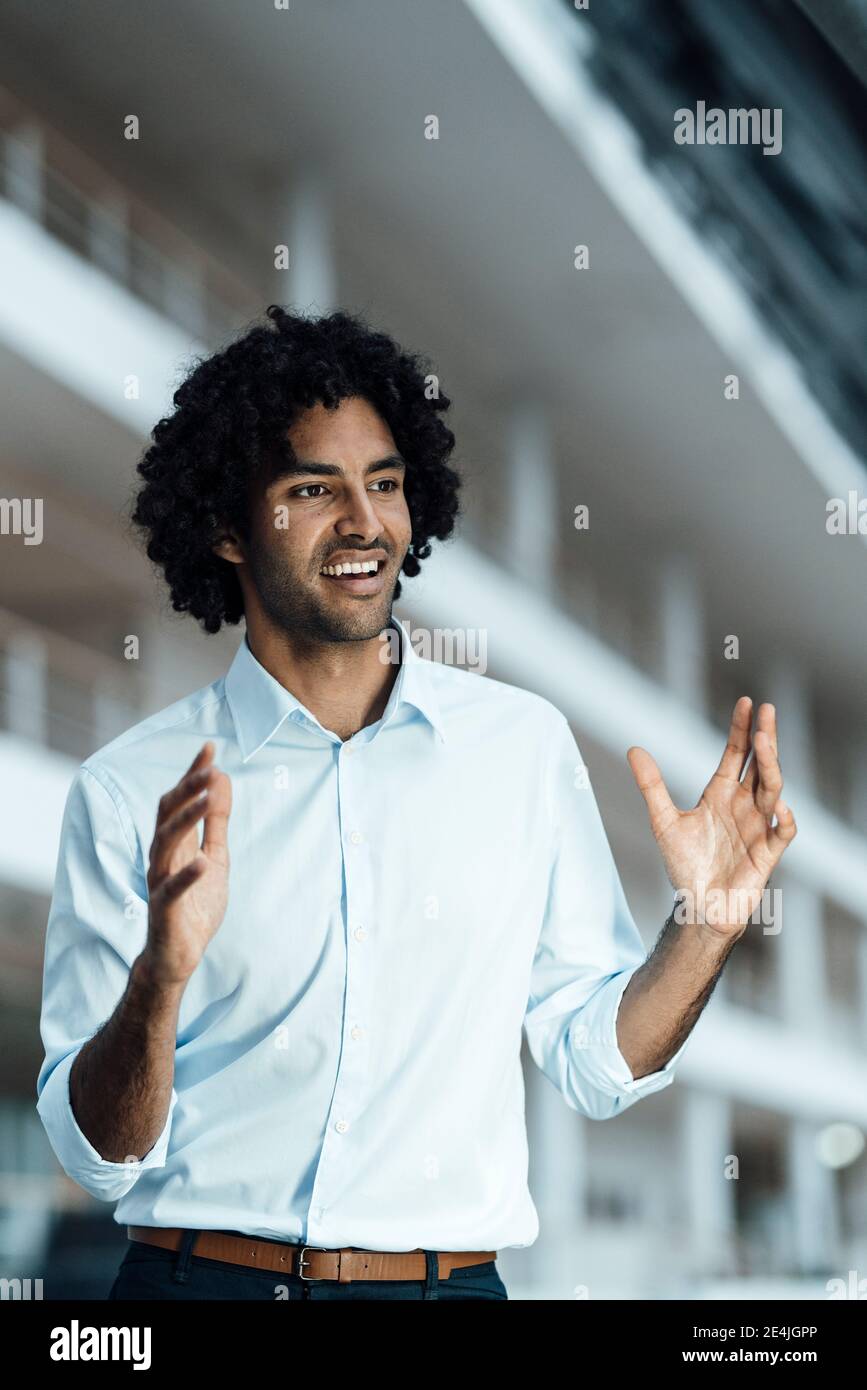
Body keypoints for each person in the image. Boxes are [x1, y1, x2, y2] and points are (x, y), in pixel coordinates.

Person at [36, 306, 797, 1301]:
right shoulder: (131, 788)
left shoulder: (521, 748)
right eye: (314, 488)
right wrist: (159, 978)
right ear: (226, 526)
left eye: (384, 484)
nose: (364, 522)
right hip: (197, 1283)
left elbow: (593, 1064)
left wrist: (705, 928)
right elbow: (98, 1154)